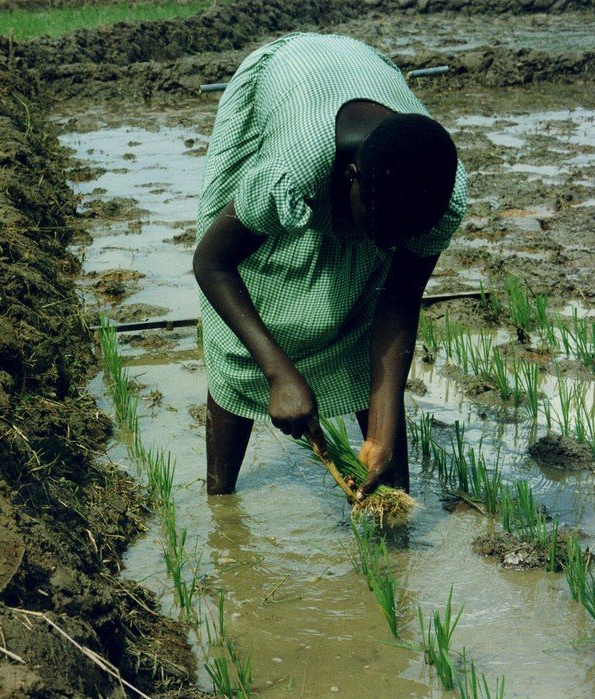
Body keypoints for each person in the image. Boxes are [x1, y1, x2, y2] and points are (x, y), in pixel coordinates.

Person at [193, 33, 466, 501]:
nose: (389, 246)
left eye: (403, 235)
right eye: (380, 228)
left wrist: (382, 430)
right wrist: (280, 375)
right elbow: (212, 264)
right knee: (249, 310)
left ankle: (389, 500)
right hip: (287, 79)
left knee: (360, 309)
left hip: (364, 78)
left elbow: (398, 302)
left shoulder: (437, 191)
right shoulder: (293, 167)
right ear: (349, 179)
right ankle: (220, 500)